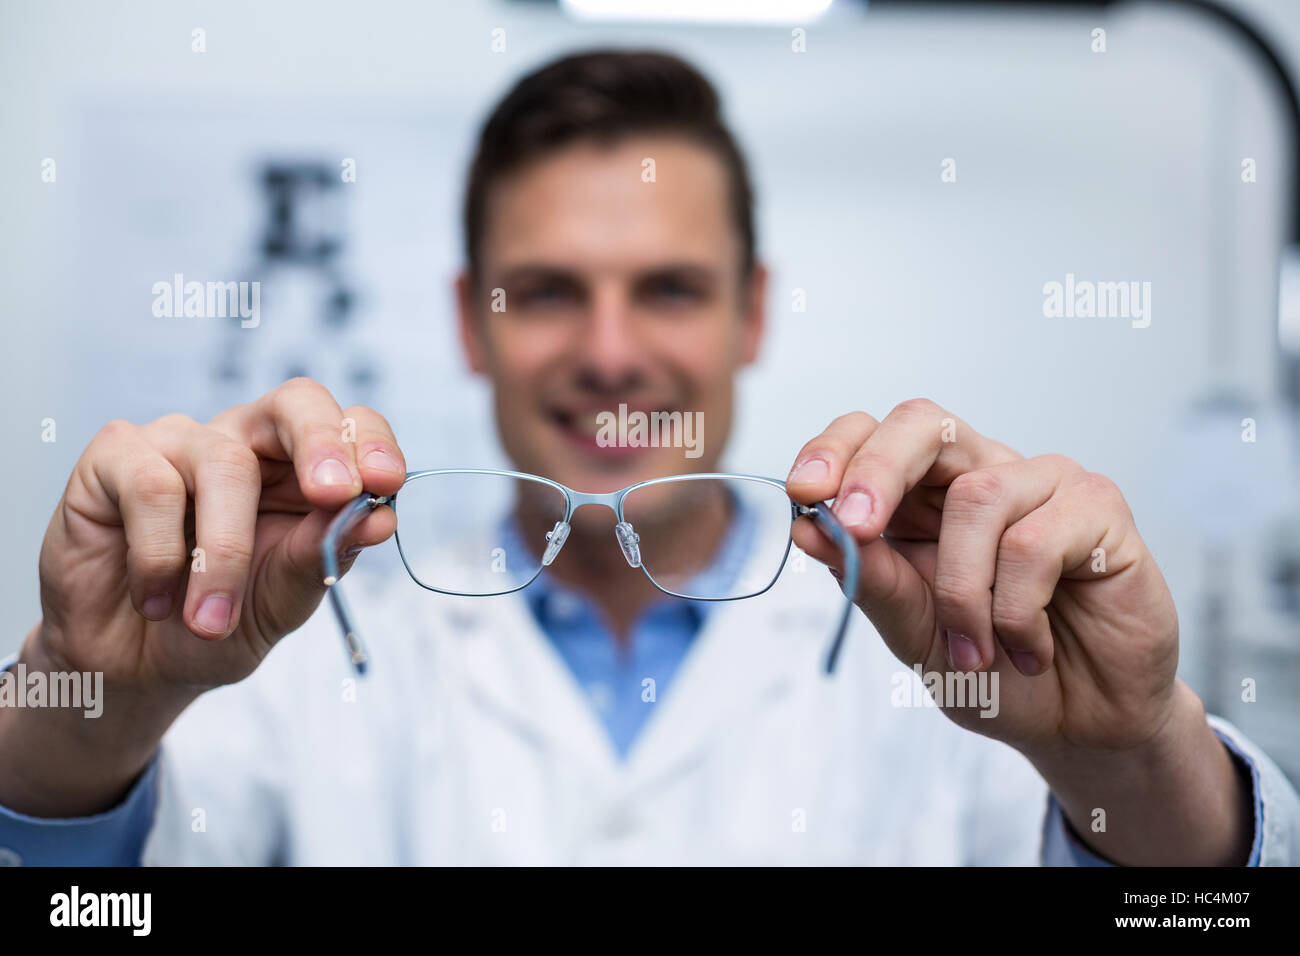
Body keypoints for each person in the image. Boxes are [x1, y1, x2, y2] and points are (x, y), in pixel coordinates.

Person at [0, 49, 1296, 866]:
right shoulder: (286, 672)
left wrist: (1128, 762)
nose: (610, 355)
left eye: (669, 289)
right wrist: (79, 714)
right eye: (550, 290)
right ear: (471, 322)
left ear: (751, 311)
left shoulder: (959, 666)